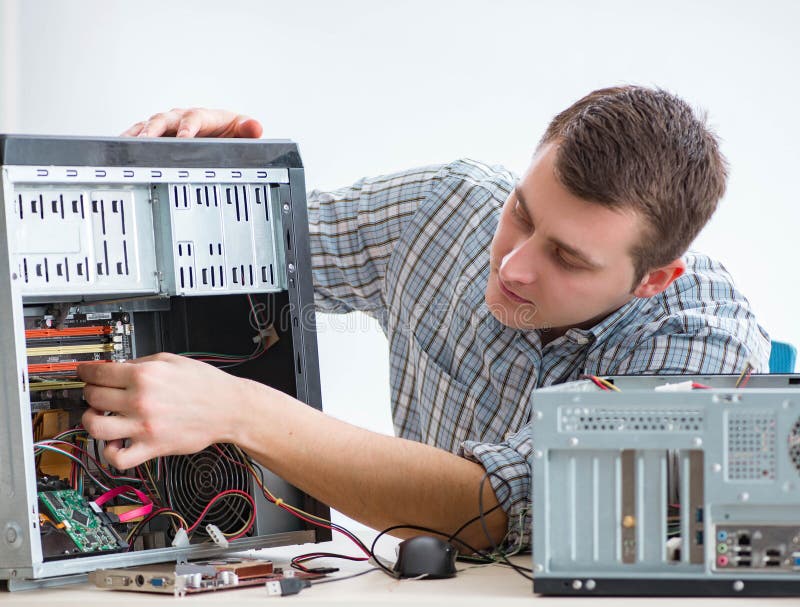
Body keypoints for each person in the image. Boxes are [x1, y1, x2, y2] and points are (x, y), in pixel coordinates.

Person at [79, 86, 770, 552]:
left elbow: (492, 509)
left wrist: (241, 411)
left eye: (567, 257)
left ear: (653, 278)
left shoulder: (704, 348)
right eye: (523, 213)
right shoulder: (445, 210)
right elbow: (246, 257)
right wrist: (205, 181)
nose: (513, 266)